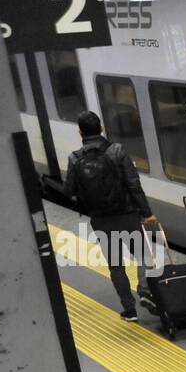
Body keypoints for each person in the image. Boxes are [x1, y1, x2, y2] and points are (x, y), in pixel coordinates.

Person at [63, 110, 158, 321]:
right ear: (102, 128)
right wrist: (147, 213)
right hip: (127, 214)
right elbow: (134, 184)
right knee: (143, 255)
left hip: (101, 220)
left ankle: (129, 310)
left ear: (80, 132)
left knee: (116, 265)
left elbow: (68, 191)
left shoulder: (75, 158)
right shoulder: (117, 151)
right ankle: (144, 290)